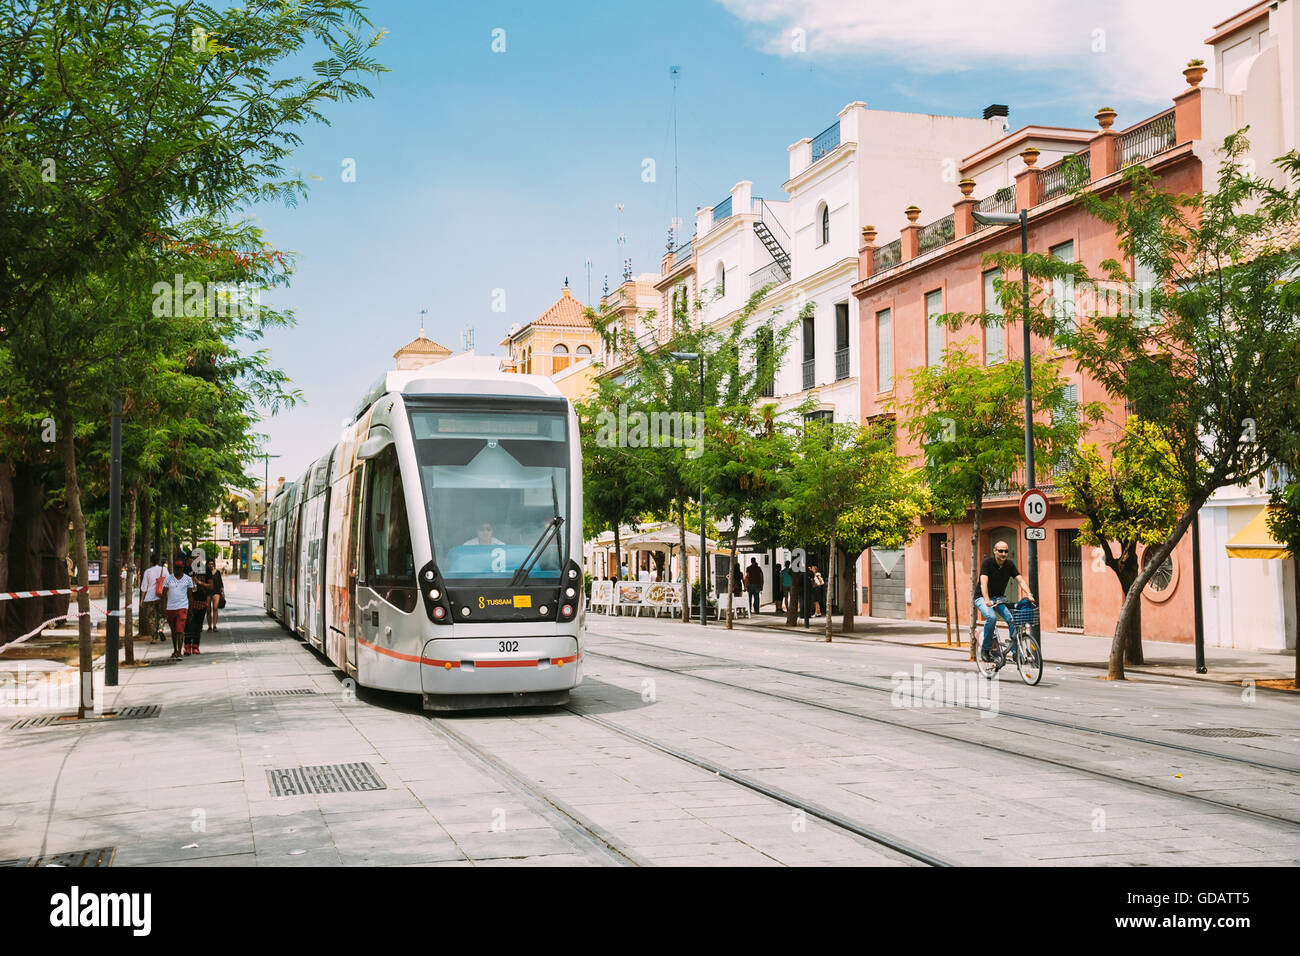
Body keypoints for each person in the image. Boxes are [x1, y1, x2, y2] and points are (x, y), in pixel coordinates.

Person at [976, 540, 1036, 662]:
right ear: (995, 551)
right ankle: (986, 649)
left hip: (999, 598)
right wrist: (987, 600)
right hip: (982, 597)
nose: (1003, 554)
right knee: (991, 618)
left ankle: (1015, 653)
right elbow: (984, 583)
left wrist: (1029, 594)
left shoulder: (1009, 564)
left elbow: (1020, 580)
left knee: (1012, 620)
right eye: (1001, 551)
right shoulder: (987, 563)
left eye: (1006, 551)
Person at [161, 559, 193, 661]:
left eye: (180, 568)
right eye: (176, 568)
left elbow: (190, 595)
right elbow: (163, 595)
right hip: (170, 608)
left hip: (182, 607)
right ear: (174, 568)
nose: (178, 570)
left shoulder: (188, 579)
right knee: (174, 631)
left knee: (180, 630)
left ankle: (179, 651)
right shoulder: (168, 579)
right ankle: (175, 650)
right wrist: (163, 609)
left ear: (182, 568)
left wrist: (191, 610)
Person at [185, 563, 214, 655]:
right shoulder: (187, 569)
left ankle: (196, 646)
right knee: (189, 625)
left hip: (201, 601)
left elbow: (211, 586)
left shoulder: (206, 569)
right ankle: (187, 647)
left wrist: (199, 582)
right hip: (188, 601)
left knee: (198, 625)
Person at [139, 553, 165, 643]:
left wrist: (142, 599)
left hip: (150, 597)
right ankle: (160, 629)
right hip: (161, 597)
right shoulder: (164, 570)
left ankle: (154, 638)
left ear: (151, 562)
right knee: (161, 615)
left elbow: (144, 587)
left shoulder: (148, 572)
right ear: (158, 561)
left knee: (151, 618)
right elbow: (169, 583)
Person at [207, 561, 225, 631]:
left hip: (216, 591)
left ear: (214, 565)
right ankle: (209, 626)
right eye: (209, 564)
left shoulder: (217, 572)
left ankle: (214, 625)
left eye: (212, 564)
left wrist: (223, 592)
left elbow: (220, 582)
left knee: (215, 608)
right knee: (208, 610)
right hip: (208, 592)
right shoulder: (206, 573)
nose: (210, 565)